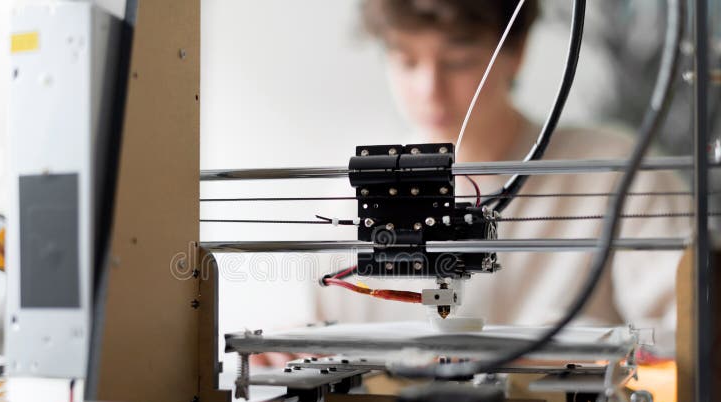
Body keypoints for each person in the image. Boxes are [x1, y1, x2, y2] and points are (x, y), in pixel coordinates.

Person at [256, 0, 688, 367]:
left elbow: (685, 346)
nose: (429, 89)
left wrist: (568, 346)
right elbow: (312, 343)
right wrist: (286, 351)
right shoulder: (350, 200)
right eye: (405, 59)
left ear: (515, 51)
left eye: (458, 62)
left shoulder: (620, 174)